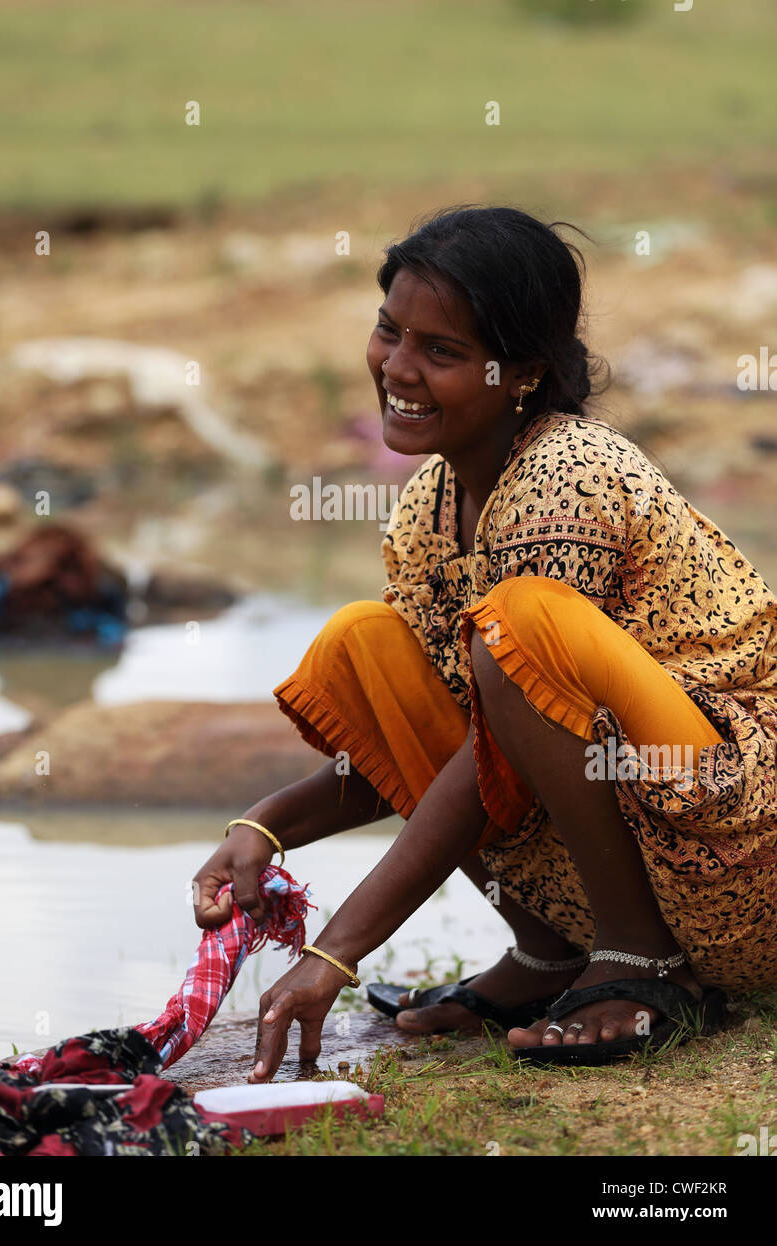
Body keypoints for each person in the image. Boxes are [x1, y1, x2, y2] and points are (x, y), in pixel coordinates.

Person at [192, 205, 777, 1079]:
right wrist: (267, 826)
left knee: (520, 629)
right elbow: (437, 739)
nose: (397, 369)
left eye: (443, 352)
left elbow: (489, 741)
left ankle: (643, 963)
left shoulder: (569, 476)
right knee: (366, 645)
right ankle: (547, 956)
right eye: (390, 331)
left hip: (740, 841)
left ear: (524, 373)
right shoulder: (430, 506)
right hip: (639, 826)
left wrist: (340, 947)